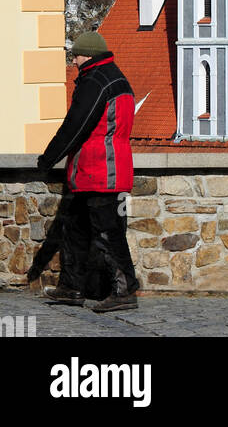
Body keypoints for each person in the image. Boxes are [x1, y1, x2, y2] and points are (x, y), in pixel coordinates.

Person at [37, 31, 139, 312]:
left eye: (76, 55)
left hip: (99, 170)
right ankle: (71, 287)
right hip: (103, 169)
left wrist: (48, 158)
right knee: (76, 230)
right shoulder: (116, 78)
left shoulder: (95, 80)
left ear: (88, 55)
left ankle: (124, 291)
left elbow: (76, 124)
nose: (74, 61)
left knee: (107, 233)